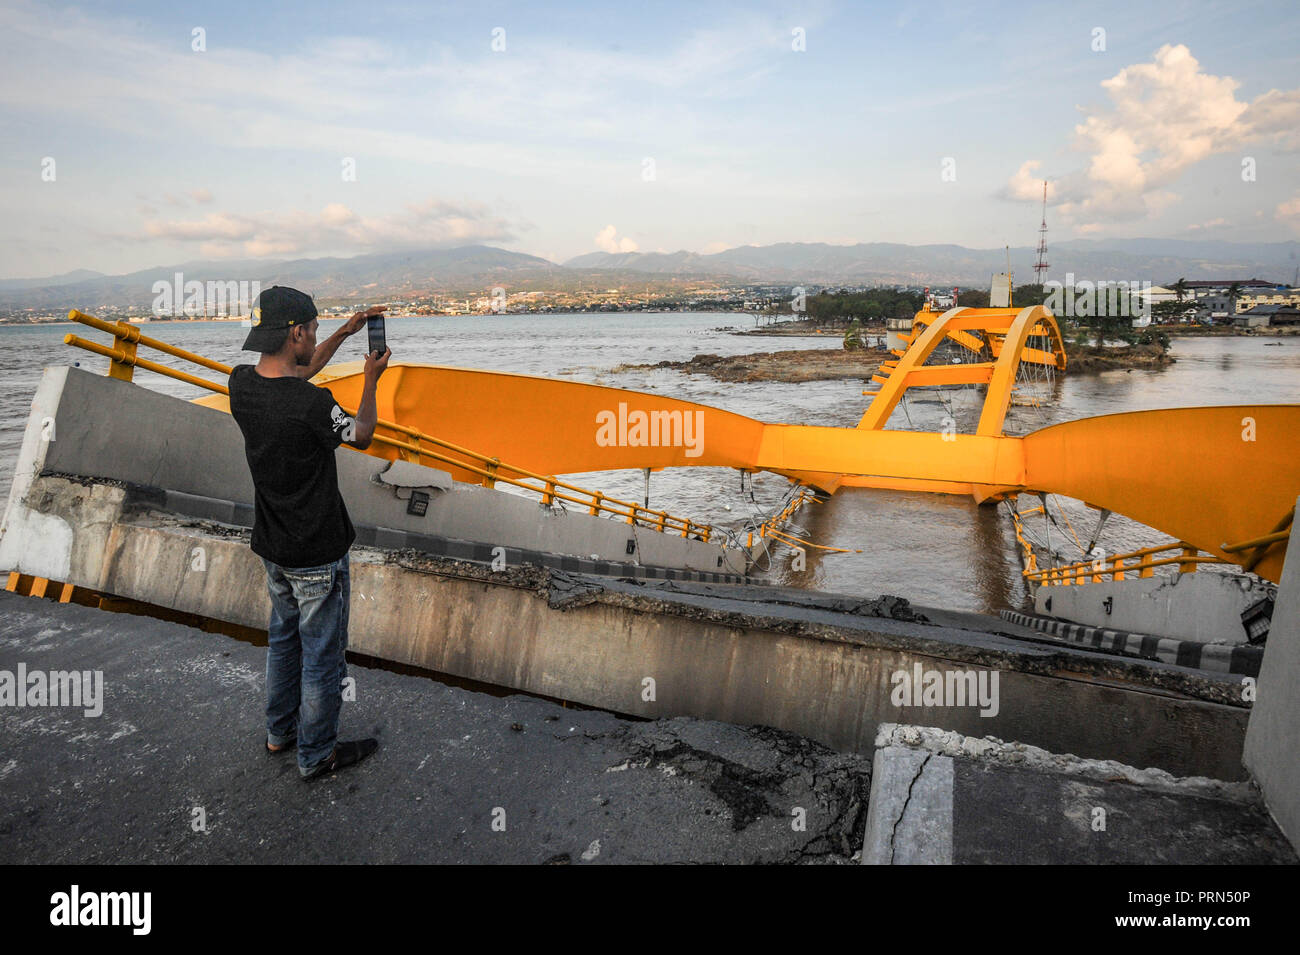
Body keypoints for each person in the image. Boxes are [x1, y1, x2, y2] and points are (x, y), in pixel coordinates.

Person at [227, 285, 391, 781]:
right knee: (322, 657)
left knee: (284, 642)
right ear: (296, 332)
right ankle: (317, 755)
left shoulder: (241, 384)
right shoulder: (312, 405)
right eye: (315, 329)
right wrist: (370, 380)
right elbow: (362, 433)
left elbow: (299, 369)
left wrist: (343, 331)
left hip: (274, 546)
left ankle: (281, 733)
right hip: (317, 550)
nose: (315, 336)